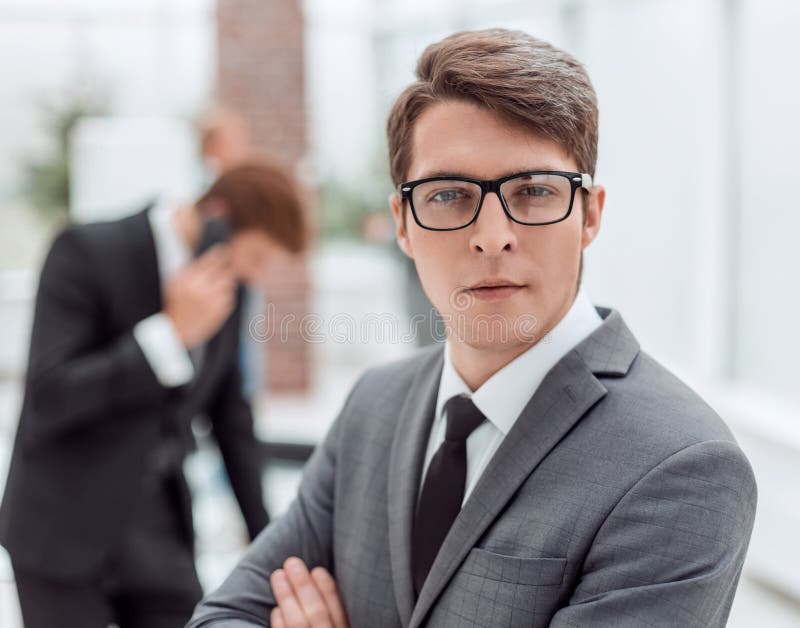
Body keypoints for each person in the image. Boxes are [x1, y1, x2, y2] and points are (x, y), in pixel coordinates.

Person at [187, 29, 757, 628]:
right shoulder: (374, 406)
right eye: (450, 195)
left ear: (589, 214)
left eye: (533, 191)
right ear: (403, 225)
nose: (491, 234)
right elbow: (223, 615)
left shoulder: (681, 464)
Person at [0, 159, 307, 628]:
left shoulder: (232, 285)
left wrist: (269, 546)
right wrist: (168, 335)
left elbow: (231, 420)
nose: (254, 276)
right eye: (258, 258)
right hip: (63, 528)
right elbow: (49, 397)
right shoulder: (85, 250)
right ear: (218, 217)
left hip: (158, 530)